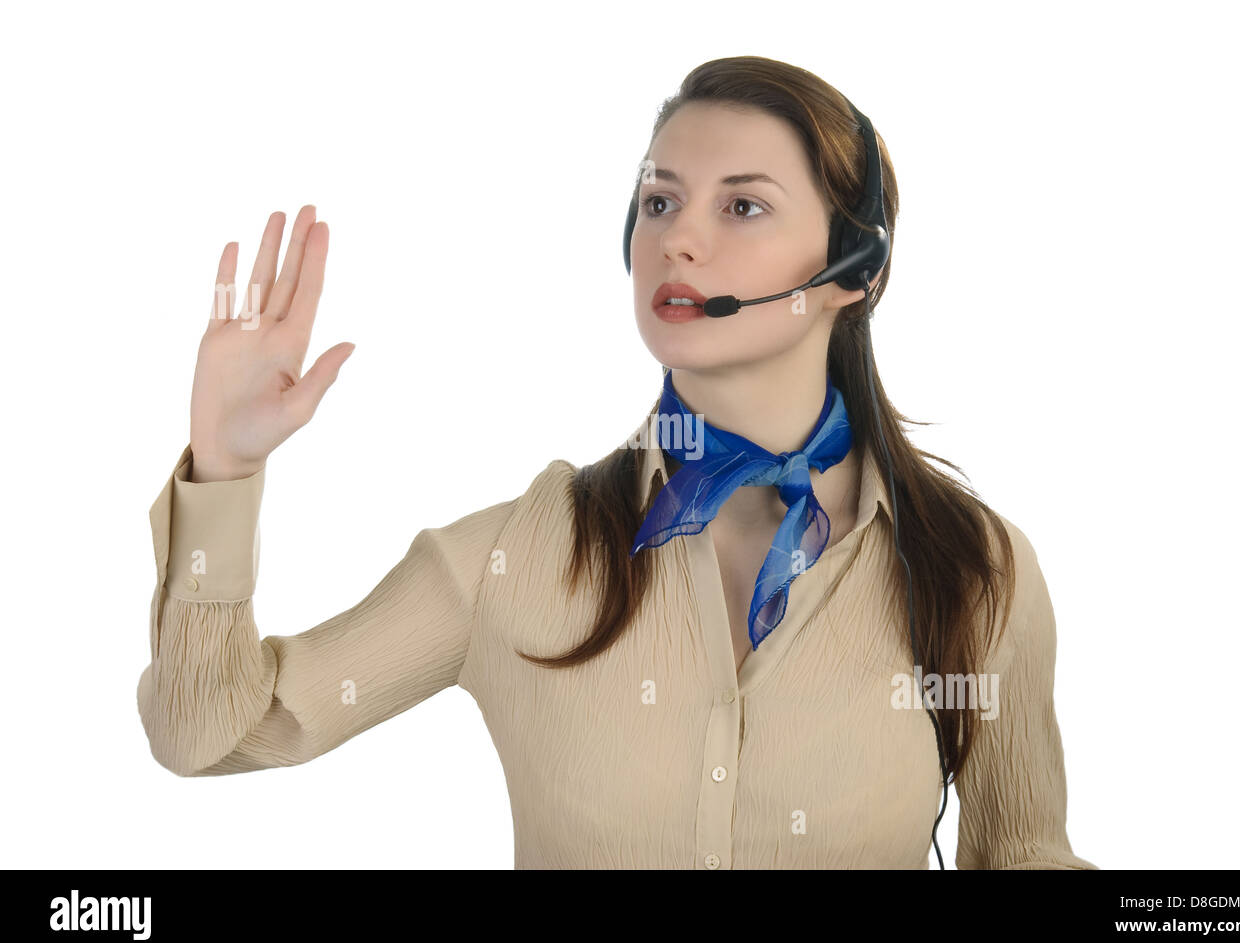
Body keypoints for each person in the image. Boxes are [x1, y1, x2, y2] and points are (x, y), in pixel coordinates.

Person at [138, 55, 1096, 870]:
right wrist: (225, 471)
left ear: (855, 270)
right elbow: (214, 734)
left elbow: (1024, 854)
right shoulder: (512, 560)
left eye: (744, 205)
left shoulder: (978, 573)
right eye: (659, 200)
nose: (679, 237)